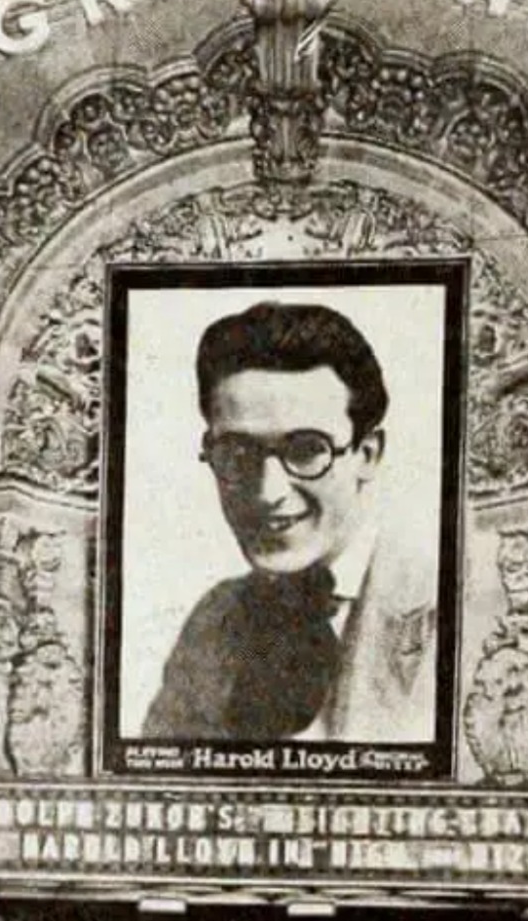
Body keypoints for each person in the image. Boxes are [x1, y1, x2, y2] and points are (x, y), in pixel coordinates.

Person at [142, 301, 437, 743]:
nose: (267, 492)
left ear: (367, 455)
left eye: (305, 450)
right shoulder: (212, 622)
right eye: (238, 453)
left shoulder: (446, 613)